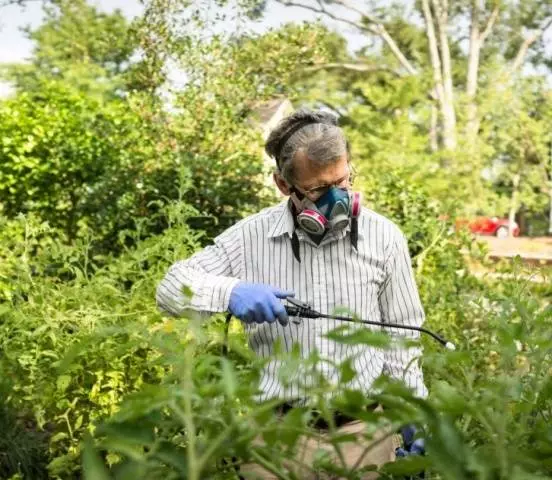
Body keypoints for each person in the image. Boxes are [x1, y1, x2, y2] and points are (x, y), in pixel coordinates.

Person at [156, 108, 428, 479]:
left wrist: (415, 412)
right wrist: (231, 291)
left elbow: (402, 334)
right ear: (284, 185)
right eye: (317, 190)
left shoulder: (384, 237)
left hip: (364, 436)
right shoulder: (249, 238)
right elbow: (171, 288)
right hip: (274, 437)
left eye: (343, 182)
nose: (336, 200)